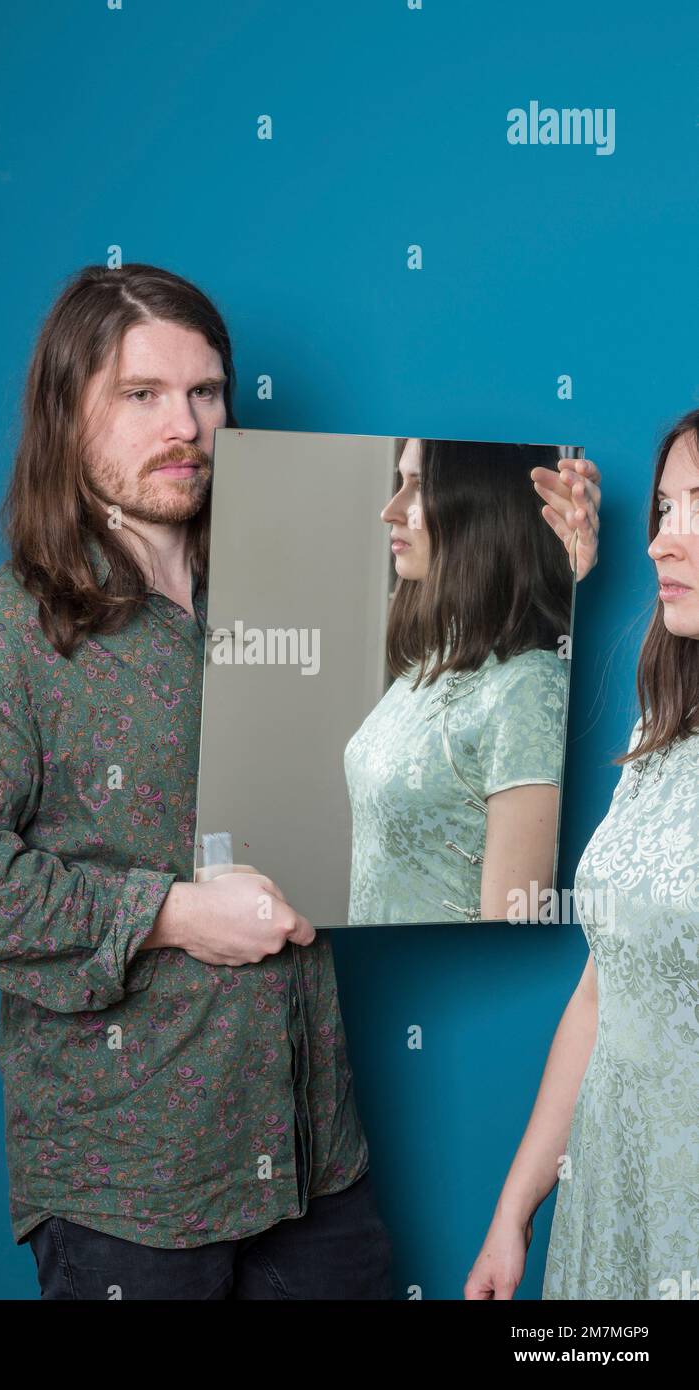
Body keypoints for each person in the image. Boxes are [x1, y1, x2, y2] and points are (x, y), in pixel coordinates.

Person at [0, 263, 392, 1300]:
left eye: (205, 393)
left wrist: (530, 568)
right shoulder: (4, 636)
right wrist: (165, 914)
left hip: (313, 1158)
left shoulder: (293, 595)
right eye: (141, 394)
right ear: (68, 417)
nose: (186, 425)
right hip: (132, 1188)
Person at [464, 407, 699, 1300]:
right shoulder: (662, 735)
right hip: (610, 1210)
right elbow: (605, 993)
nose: (660, 546)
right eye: (664, 512)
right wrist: (513, 1211)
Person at [343, 437, 598, 925]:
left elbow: (508, 933)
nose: (390, 510)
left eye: (418, 486)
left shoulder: (530, 686)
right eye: (401, 482)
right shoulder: (433, 658)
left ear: (485, 505)